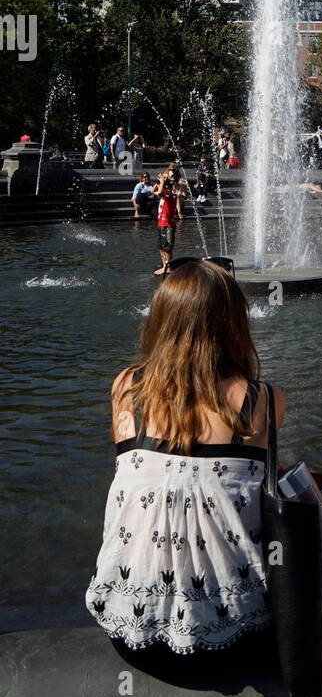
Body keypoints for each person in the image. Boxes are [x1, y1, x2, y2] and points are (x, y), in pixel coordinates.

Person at [85, 259, 286, 658]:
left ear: (161, 319)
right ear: (235, 324)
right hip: (237, 635)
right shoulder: (261, 400)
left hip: (130, 633)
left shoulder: (126, 387)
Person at [153, 171, 184, 274]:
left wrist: (162, 181)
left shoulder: (170, 195)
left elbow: (160, 192)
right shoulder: (166, 194)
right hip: (161, 224)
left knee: (168, 248)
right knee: (160, 247)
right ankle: (164, 265)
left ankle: (169, 267)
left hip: (168, 226)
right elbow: (154, 191)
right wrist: (160, 181)